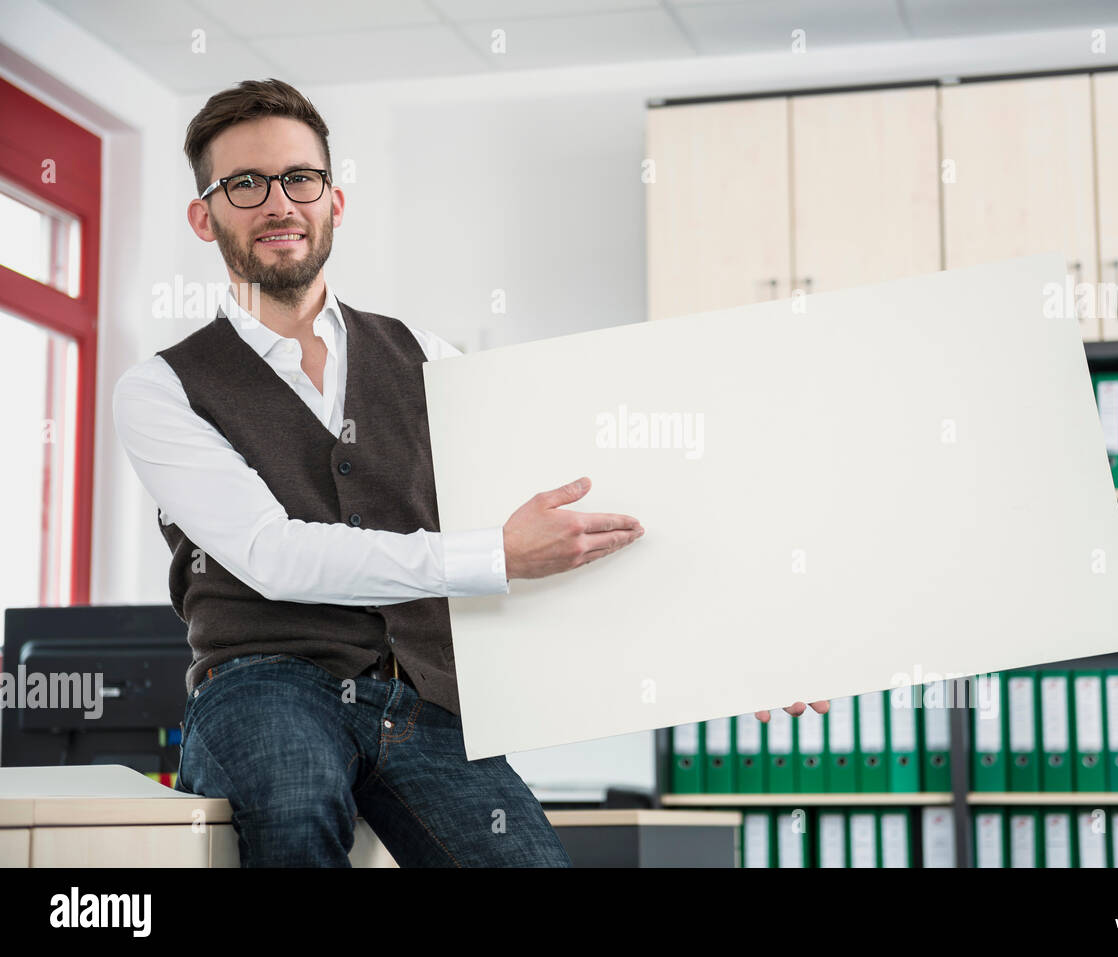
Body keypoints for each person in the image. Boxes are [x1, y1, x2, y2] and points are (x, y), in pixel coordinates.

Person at [113, 77, 818, 867]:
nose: (278, 202)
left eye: (299, 178)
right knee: (295, 799)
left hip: (419, 695)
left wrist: (738, 652)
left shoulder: (429, 358)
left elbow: (580, 516)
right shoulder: (162, 387)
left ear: (334, 201)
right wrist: (495, 555)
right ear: (203, 217)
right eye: (244, 183)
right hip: (265, 684)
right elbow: (274, 554)